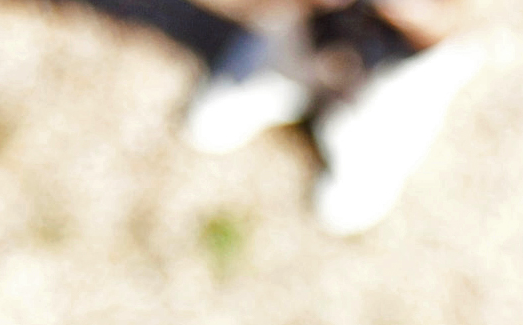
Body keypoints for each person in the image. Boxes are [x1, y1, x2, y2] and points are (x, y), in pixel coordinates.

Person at [180, 0, 484, 235]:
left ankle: (377, 119)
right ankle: (295, 66)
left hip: (403, 56)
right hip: (312, 29)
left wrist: (412, 11)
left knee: (346, 205)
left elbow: (452, 19)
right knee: (209, 126)